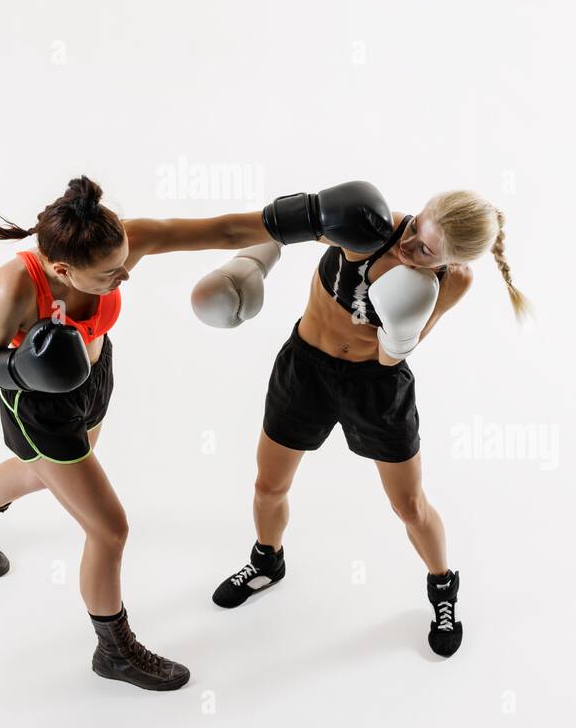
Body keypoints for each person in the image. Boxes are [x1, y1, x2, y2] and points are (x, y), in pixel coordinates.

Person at [0, 175, 280, 693]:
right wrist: (26, 368)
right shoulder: (14, 285)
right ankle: (113, 650)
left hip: (95, 380)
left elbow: (226, 230)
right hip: (39, 406)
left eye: (123, 263)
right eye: (108, 275)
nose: (124, 275)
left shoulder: (120, 243)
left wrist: (311, 219)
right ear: (62, 270)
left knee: (41, 479)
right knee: (109, 529)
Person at [192, 182, 531, 658]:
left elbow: (398, 355)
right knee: (269, 486)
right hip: (306, 367)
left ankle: (443, 587)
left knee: (410, 505)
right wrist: (248, 265)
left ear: (452, 262)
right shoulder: (367, 223)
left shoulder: (456, 280)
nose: (410, 246)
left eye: (426, 252)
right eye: (414, 230)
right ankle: (268, 560)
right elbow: (276, 227)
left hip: (376, 386)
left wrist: (401, 322)